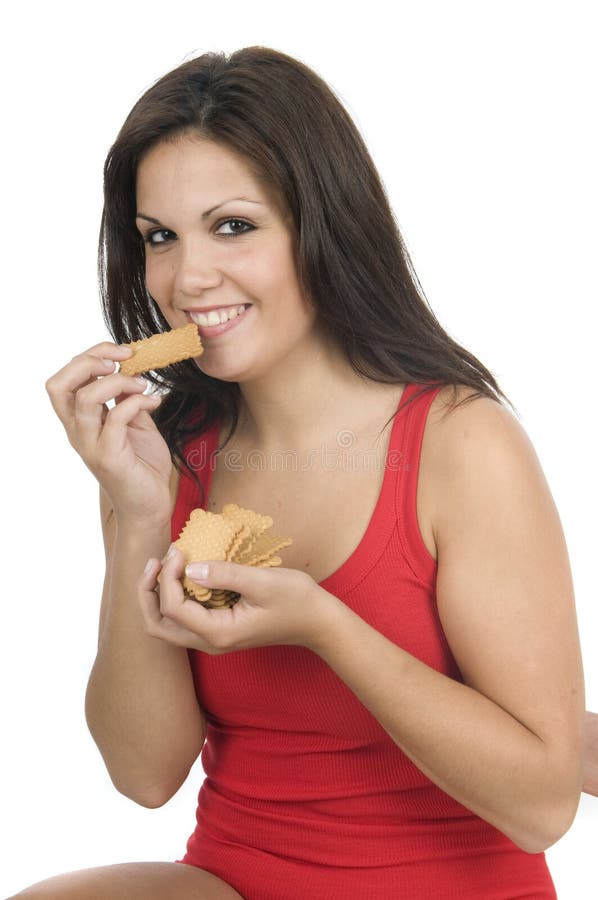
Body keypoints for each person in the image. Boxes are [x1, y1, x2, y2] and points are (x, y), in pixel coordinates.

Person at [12, 46, 595, 899]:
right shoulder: (168, 452)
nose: (187, 279)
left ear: (322, 228)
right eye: (159, 238)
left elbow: (544, 808)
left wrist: (326, 624)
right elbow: (144, 776)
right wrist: (138, 512)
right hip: (235, 876)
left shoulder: (462, 445)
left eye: (234, 226)